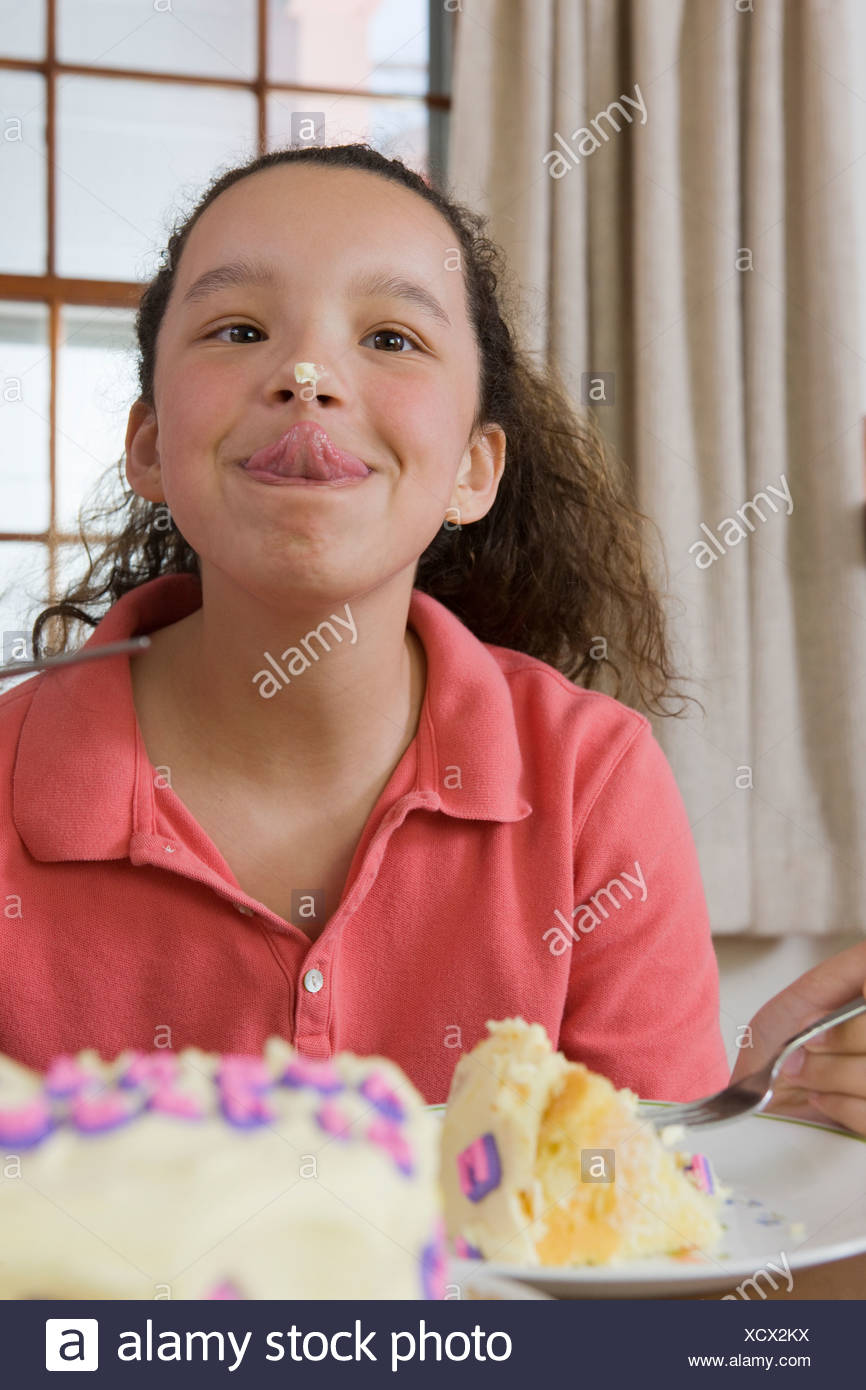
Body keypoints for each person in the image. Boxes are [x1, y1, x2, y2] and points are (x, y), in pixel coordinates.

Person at [1, 144, 863, 1128]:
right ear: (150, 444)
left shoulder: (589, 780)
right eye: (239, 328)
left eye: (393, 337)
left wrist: (778, 1144)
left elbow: (646, 1250)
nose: (307, 374)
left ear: (473, 469)